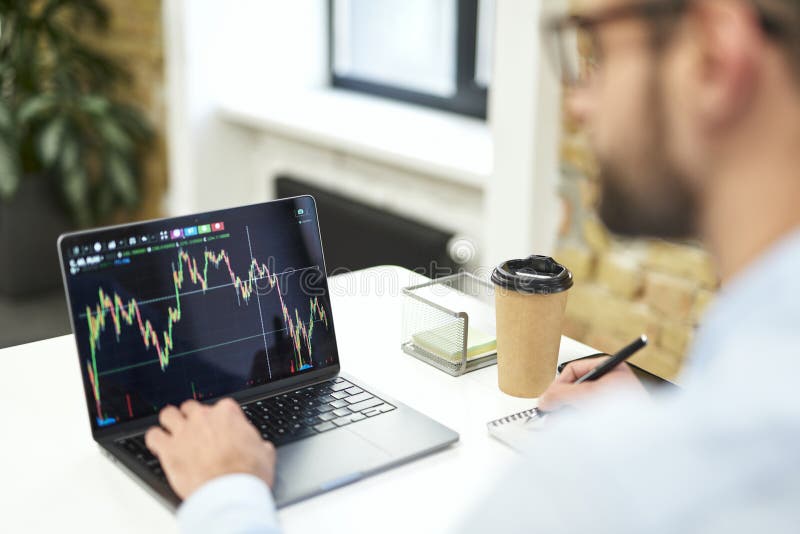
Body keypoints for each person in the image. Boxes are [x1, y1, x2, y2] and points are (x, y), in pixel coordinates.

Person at [144, 0, 800, 531]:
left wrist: (228, 494)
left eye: (594, 46)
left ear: (714, 55)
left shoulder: (604, 481)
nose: (578, 103)